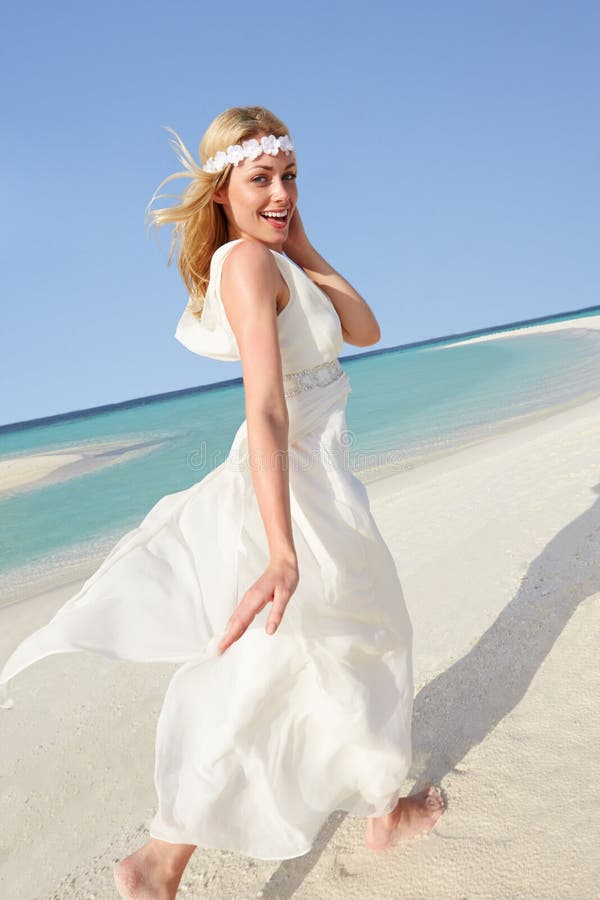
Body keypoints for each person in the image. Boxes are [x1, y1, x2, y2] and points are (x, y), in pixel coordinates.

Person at [0, 105, 445, 899]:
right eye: (261, 179)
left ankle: (378, 808)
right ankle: (162, 860)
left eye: (289, 177)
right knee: (289, 661)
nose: (280, 192)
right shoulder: (246, 266)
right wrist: (281, 550)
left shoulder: (278, 261)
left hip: (320, 480)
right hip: (292, 486)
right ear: (221, 191)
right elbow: (265, 408)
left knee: (353, 644)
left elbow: (367, 329)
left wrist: (303, 243)